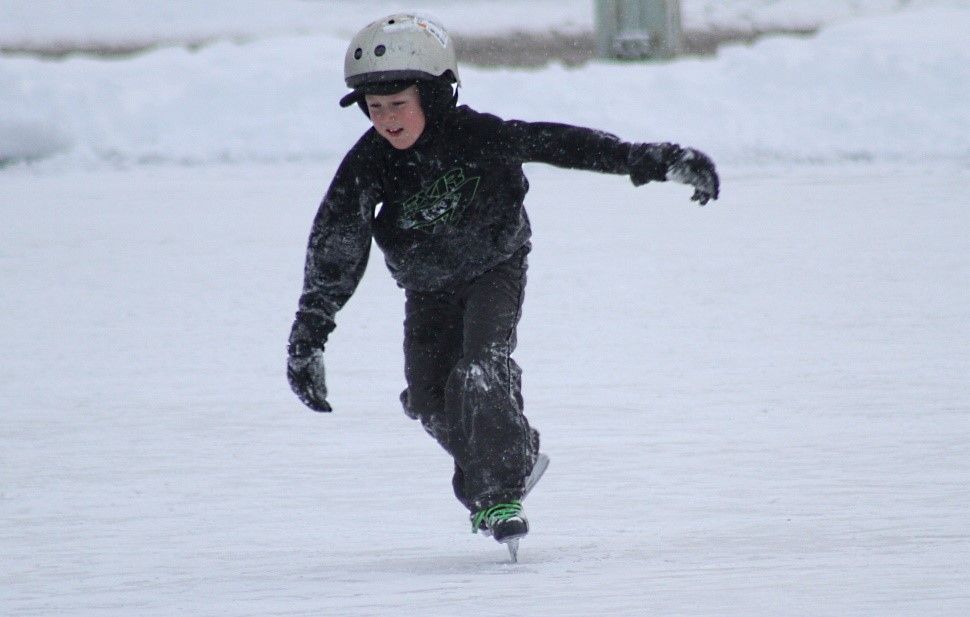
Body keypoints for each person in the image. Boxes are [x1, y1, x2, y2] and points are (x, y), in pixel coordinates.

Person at [286, 13, 719, 548]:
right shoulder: (368, 163)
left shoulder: (479, 136)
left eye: (398, 105)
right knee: (426, 398)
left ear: (434, 95)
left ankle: (498, 494)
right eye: (375, 109)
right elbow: (337, 244)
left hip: (494, 268)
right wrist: (310, 333)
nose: (387, 121)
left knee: (479, 371)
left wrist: (651, 159)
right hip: (426, 289)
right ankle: (516, 453)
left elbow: (561, 144)